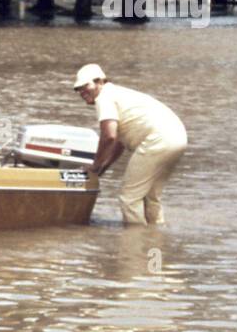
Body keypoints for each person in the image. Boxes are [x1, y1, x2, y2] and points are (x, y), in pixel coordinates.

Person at [73, 63, 188, 226]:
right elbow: (119, 143)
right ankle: (154, 237)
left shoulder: (104, 97)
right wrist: (103, 167)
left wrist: (95, 165)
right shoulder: (119, 94)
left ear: (100, 81)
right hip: (178, 138)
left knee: (129, 198)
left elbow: (109, 136)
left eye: (86, 86)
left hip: (158, 140)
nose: (82, 92)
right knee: (151, 196)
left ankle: (135, 241)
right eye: (78, 89)